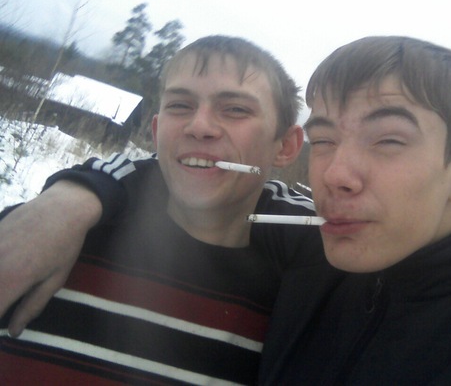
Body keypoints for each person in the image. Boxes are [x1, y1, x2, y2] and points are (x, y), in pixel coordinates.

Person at [3, 36, 451, 384]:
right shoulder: (307, 245)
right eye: (326, 140)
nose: (336, 174)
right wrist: (73, 198)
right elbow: (193, 175)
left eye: (388, 139)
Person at [0, 35, 329, 384]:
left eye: (235, 109)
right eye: (180, 105)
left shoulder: (305, 290)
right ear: (157, 132)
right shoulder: (42, 240)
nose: (199, 126)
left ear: (285, 146)